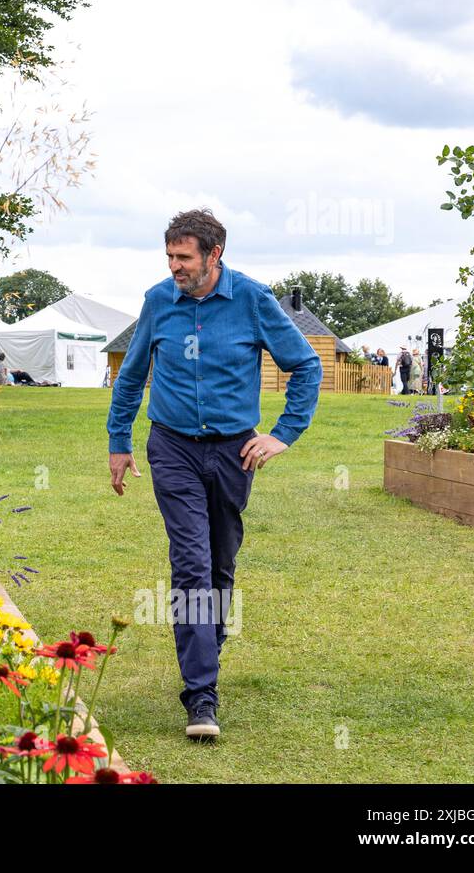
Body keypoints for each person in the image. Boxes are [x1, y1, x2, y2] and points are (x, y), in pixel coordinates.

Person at [106, 209, 321, 741]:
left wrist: (282, 434)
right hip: (173, 449)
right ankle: (201, 695)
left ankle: (206, 645)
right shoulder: (159, 301)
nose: (174, 267)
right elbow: (131, 376)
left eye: (184, 257)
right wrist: (119, 442)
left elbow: (306, 365)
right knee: (192, 565)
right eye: (170, 257)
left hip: (234, 453)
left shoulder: (251, 298)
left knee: (221, 563)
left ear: (213, 254)